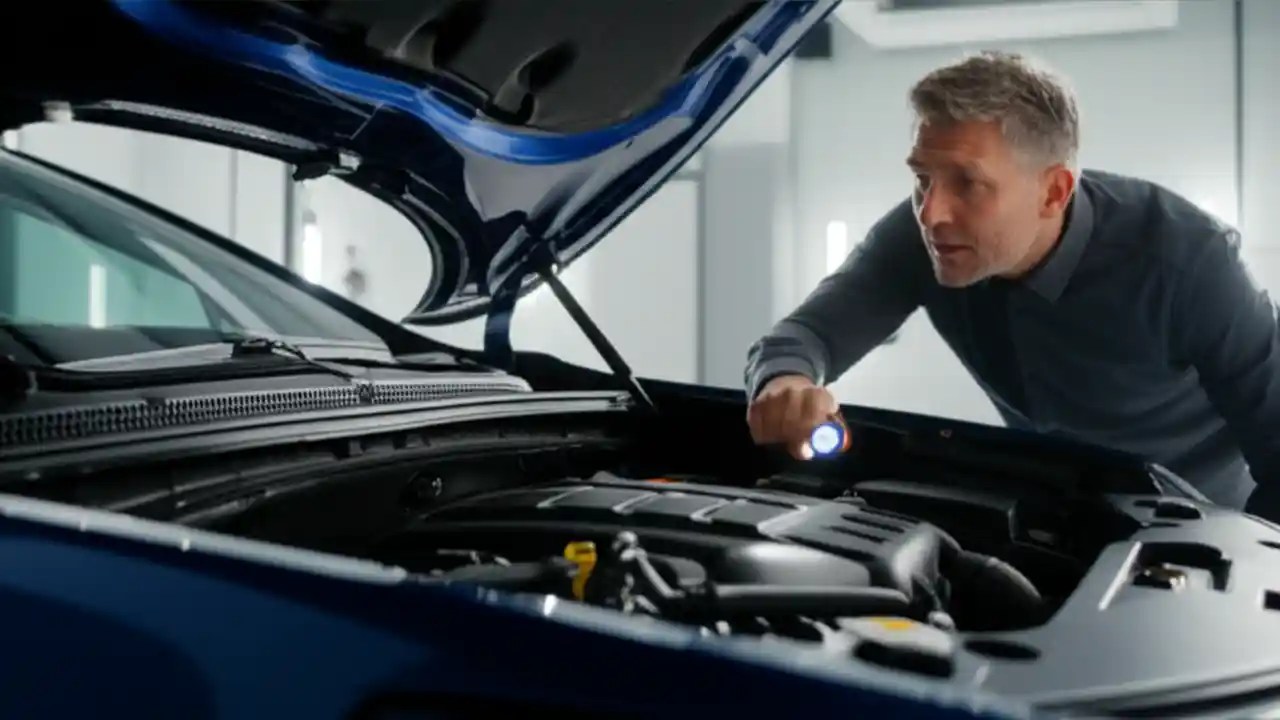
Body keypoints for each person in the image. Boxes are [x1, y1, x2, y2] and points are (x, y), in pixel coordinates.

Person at [743, 50, 1280, 520]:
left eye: (966, 183)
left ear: (1053, 193)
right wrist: (785, 383)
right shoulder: (918, 239)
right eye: (921, 179)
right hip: (1053, 515)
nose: (930, 213)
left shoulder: (1187, 260)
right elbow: (804, 337)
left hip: (1200, 530)